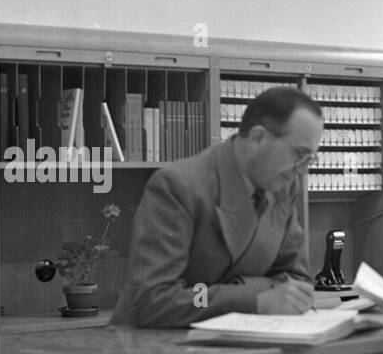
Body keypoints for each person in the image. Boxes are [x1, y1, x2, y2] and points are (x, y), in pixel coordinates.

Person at [110, 86, 320, 328]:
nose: (303, 170)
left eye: (312, 159)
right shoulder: (178, 186)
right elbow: (155, 299)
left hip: (241, 344)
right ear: (258, 138)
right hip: (154, 351)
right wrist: (252, 298)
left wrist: (212, 293)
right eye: (300, 154)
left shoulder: (283, 186)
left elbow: (296, 283)